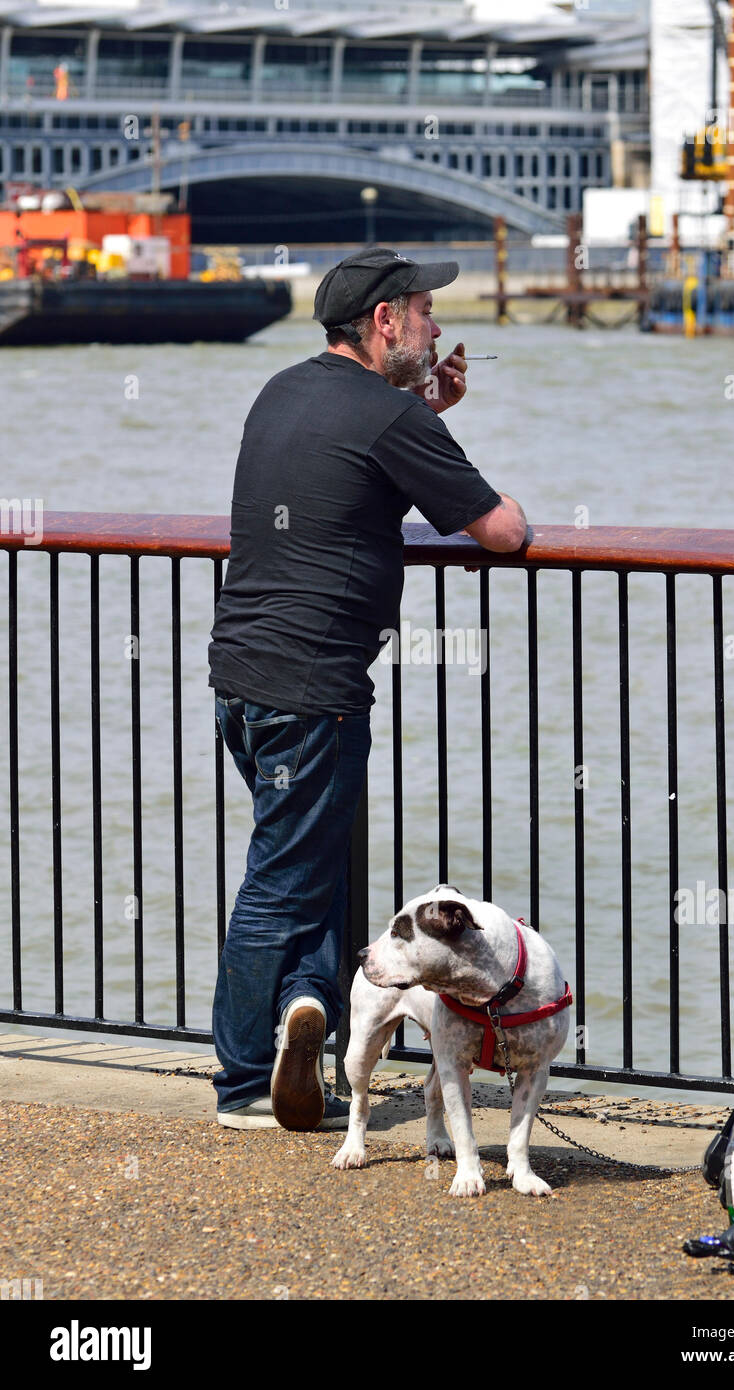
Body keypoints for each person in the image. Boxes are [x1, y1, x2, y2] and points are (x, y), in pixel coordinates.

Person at [207, 247, 527, 1131]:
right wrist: (429, 422)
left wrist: (419, 405)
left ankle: (305, 1010)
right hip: (317, 685)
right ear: (384, 322)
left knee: (304, 859)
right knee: (282, 876)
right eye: (424, 312)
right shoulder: (392, 419)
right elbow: (500, 529)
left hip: (239, 672)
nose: (434, 328)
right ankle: (239, 1083)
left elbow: (342, 463)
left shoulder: (281, 389)